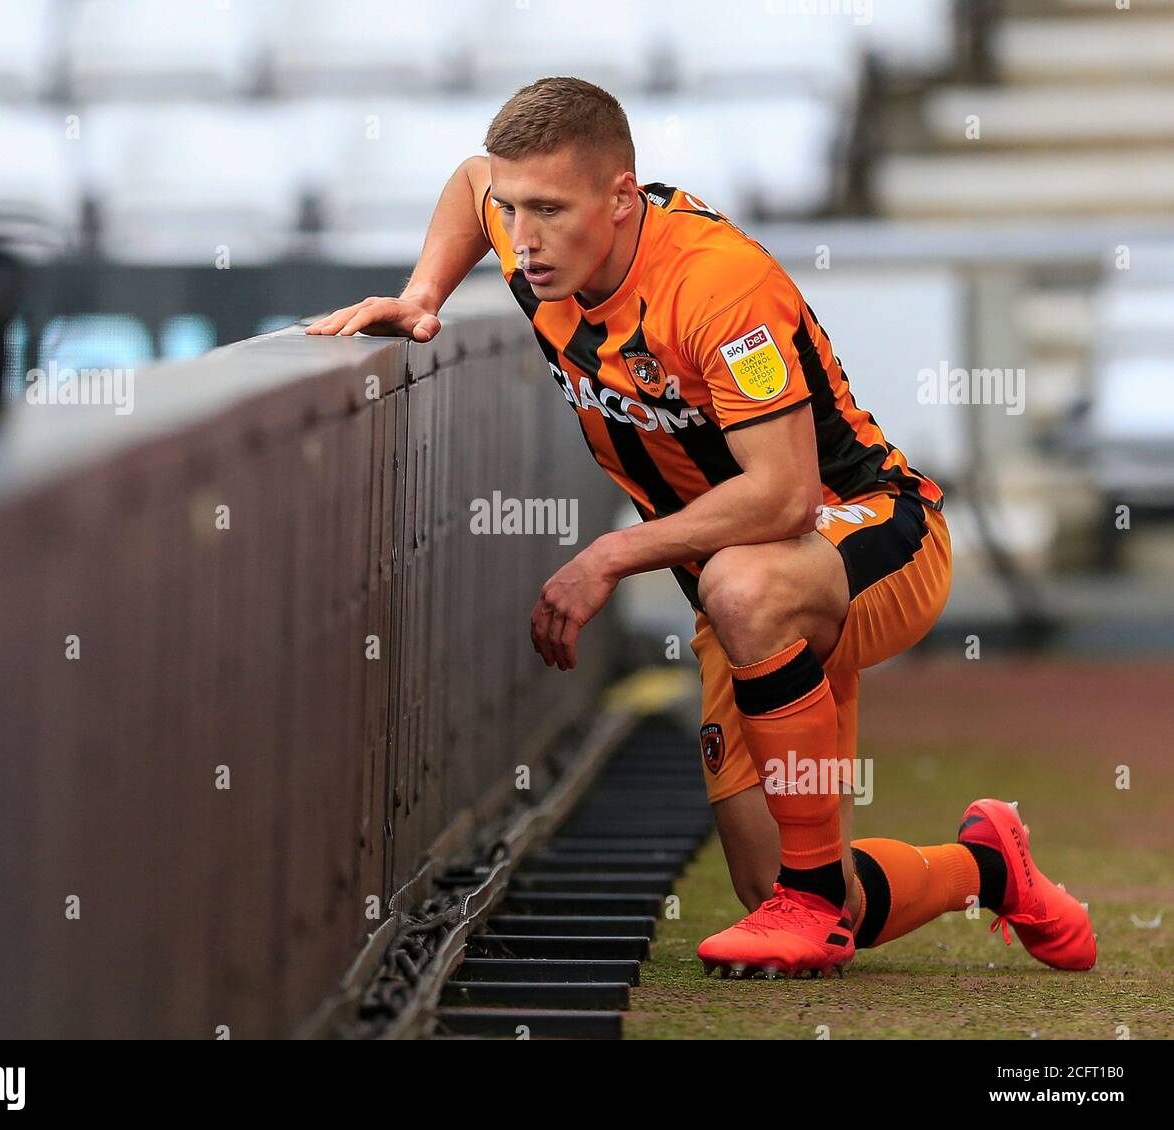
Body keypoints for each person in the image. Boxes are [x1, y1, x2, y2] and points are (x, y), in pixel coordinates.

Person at [306, 76, 1096, 978]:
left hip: (874, 534)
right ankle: (988, 867)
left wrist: (607, 554)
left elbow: (784, 499)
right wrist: (423, 294)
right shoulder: (531, 224)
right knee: (777, 880)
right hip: (739, 584)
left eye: (551, 211)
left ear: (620, 196)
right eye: (515, 210)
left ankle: (810, 907)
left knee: (742, 582)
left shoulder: (718, 285)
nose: (524, 240)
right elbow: (469, 181)